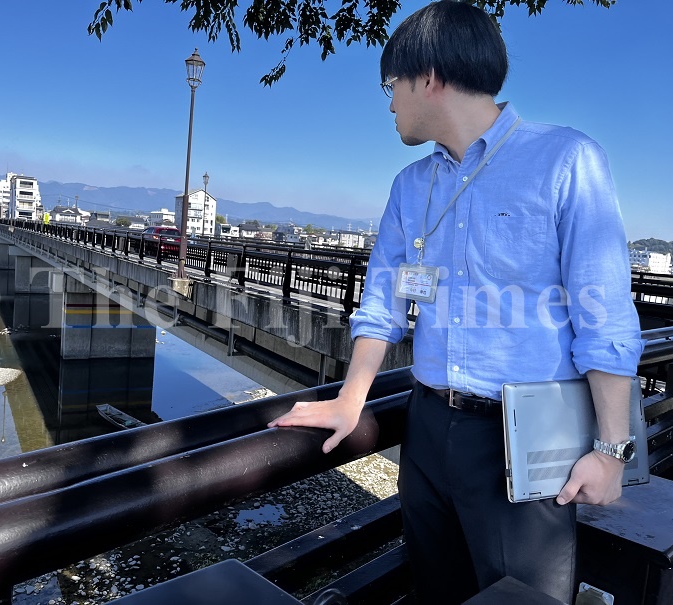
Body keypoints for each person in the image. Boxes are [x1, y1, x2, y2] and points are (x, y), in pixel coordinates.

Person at [268, 1, 644, 603]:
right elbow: (382, 303)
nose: (389, 103)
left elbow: (603, 317)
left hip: (523, 433)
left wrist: (610, 450)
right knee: (433, 588)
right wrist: (350, 398)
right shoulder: (409, 185)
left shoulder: (565, 159)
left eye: (391, 86)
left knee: (521, 596)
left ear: (430, 77)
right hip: (426, 422)